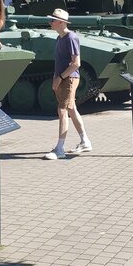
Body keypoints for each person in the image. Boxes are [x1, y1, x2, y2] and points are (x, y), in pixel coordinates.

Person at [42, 8, 92, 159]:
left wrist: (60, 78)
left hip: (69, 79)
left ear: (61, 22)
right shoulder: (60, 38)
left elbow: (76, 63)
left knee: (62, 110)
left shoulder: (71, 37)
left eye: (52, 20)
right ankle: (85, 142)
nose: (50, 22)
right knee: (71, 109)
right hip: (64, 78)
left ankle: (59, 149)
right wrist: (56, 77)